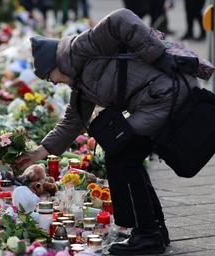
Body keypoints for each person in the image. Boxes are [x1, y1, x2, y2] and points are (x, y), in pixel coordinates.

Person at [15, 9, 199, 255]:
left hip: (163, 93)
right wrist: (39, 152)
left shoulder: (80, 48)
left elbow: (120, 18)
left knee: (122, 156)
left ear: (56, 64)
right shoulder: (78, 81)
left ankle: (147, 235)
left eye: (49, 77)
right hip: (153, 98)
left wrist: (156, 54)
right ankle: (154, 230)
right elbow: (73, 119)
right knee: (124, 155)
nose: (54, 83)